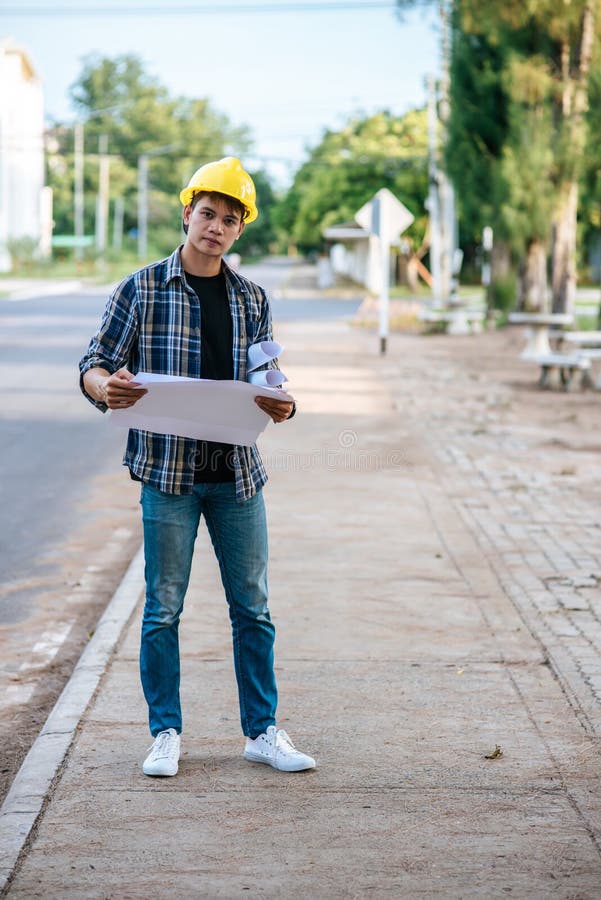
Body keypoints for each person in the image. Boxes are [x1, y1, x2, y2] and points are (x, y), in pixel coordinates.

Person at [79, 157, 315, 776]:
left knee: (253, 608)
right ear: (187, 214)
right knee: (162, 607)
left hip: (237, 479)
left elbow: (269, 376)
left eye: (230, 219)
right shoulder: (142, 289)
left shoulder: (252, 299)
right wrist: (107, 388)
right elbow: (95, 363)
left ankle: (262, 731)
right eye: (207, 214)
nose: (216, 226)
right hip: (169, 477)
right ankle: (165, 732)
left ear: (240, 231)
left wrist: (281, 402)